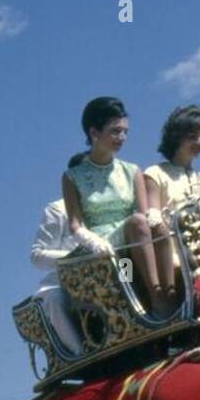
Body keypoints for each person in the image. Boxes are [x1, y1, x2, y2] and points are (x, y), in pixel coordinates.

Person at [61, 96, 171, 320]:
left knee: (158, 227)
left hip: (134, 238)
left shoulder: (132, 171)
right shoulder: (72, 177)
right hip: (102, 246)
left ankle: (171, 292)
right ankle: (156, 299)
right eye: (115, 131)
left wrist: (156, 217)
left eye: (124, 132)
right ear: (94, 133)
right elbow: (75, 224)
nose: (121, 138)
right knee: (139, 223)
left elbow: (143, 213)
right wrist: (92, 241)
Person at [144, 105, 200, 308]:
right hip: (171, 252)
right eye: (193, 136)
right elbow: (152, 218)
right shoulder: (155, 173)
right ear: (177, 136)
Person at [30, 199, 83, 354]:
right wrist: (78, 257)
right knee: (54, 299)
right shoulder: (59, 209)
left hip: (122, 265)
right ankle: (80, 353)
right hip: (70, 281)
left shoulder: (121, 196)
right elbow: (37, 255)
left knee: (128, 281)